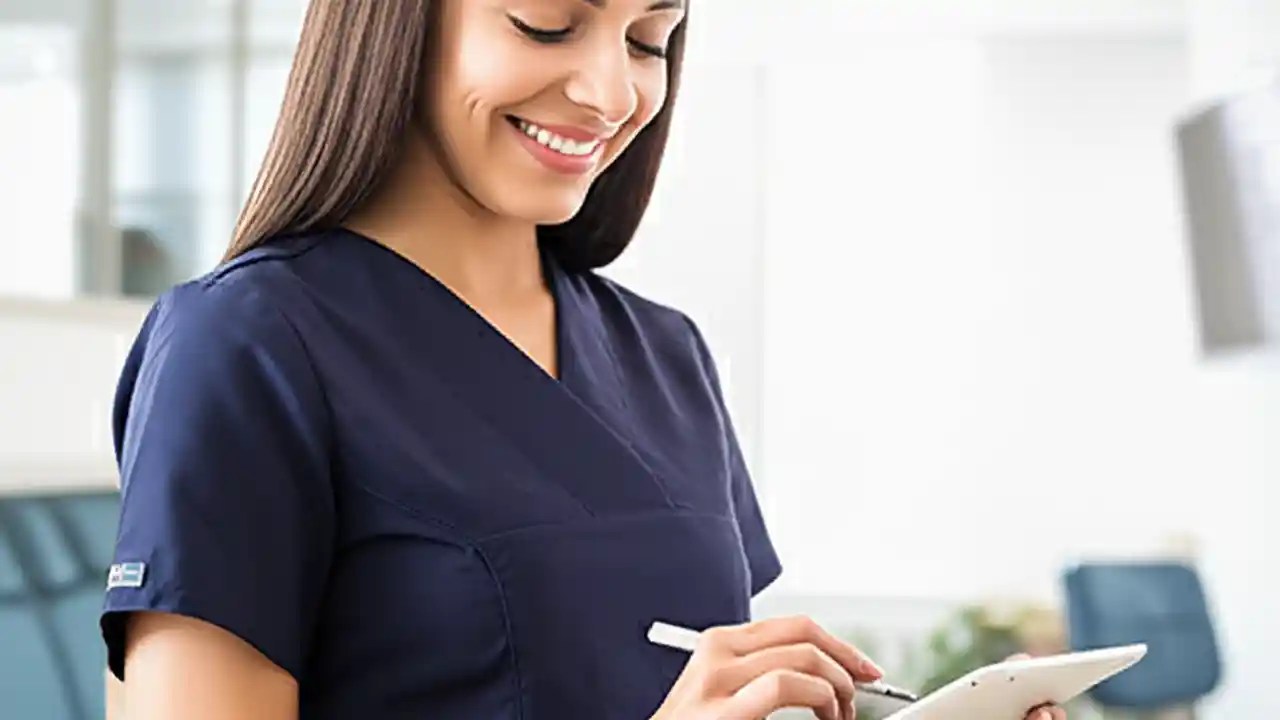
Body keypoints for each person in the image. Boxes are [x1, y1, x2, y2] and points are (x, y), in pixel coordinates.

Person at [100, 1, 1068, 719]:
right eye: (546, 25)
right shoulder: (247, 343)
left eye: (648, 40)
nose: (612, 94)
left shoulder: (665, 353)